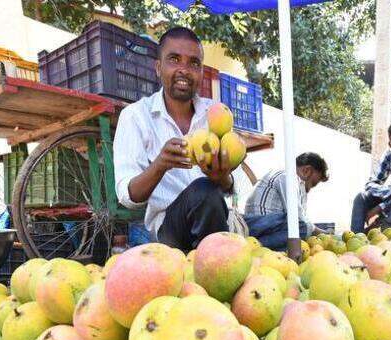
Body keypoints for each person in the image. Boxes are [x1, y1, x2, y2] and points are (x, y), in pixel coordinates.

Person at [113, 26, 248, 251]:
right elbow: (128, 196)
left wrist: (223, 177)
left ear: (201, 71)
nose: (184, 70)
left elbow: (234, 187)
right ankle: (215, 260)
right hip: (170, 228)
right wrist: (160, 165)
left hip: (216, 219)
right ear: (158, 67)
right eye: (174, 59)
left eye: (194, 63)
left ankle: (215, 253)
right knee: (203, 191)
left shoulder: (216, 113)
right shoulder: (136, 116)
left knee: (289, 225)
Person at [243, 152, 329, 250]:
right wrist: (323, 233)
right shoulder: (287, 177)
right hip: (258, 224)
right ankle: (254, 247)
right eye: (312, 183)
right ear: (306, 171)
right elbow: (299, 218)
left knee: (300, 229)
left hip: (265, 226)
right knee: (301, 228)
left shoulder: (291, 180)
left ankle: (257, 246)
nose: (309, 189)